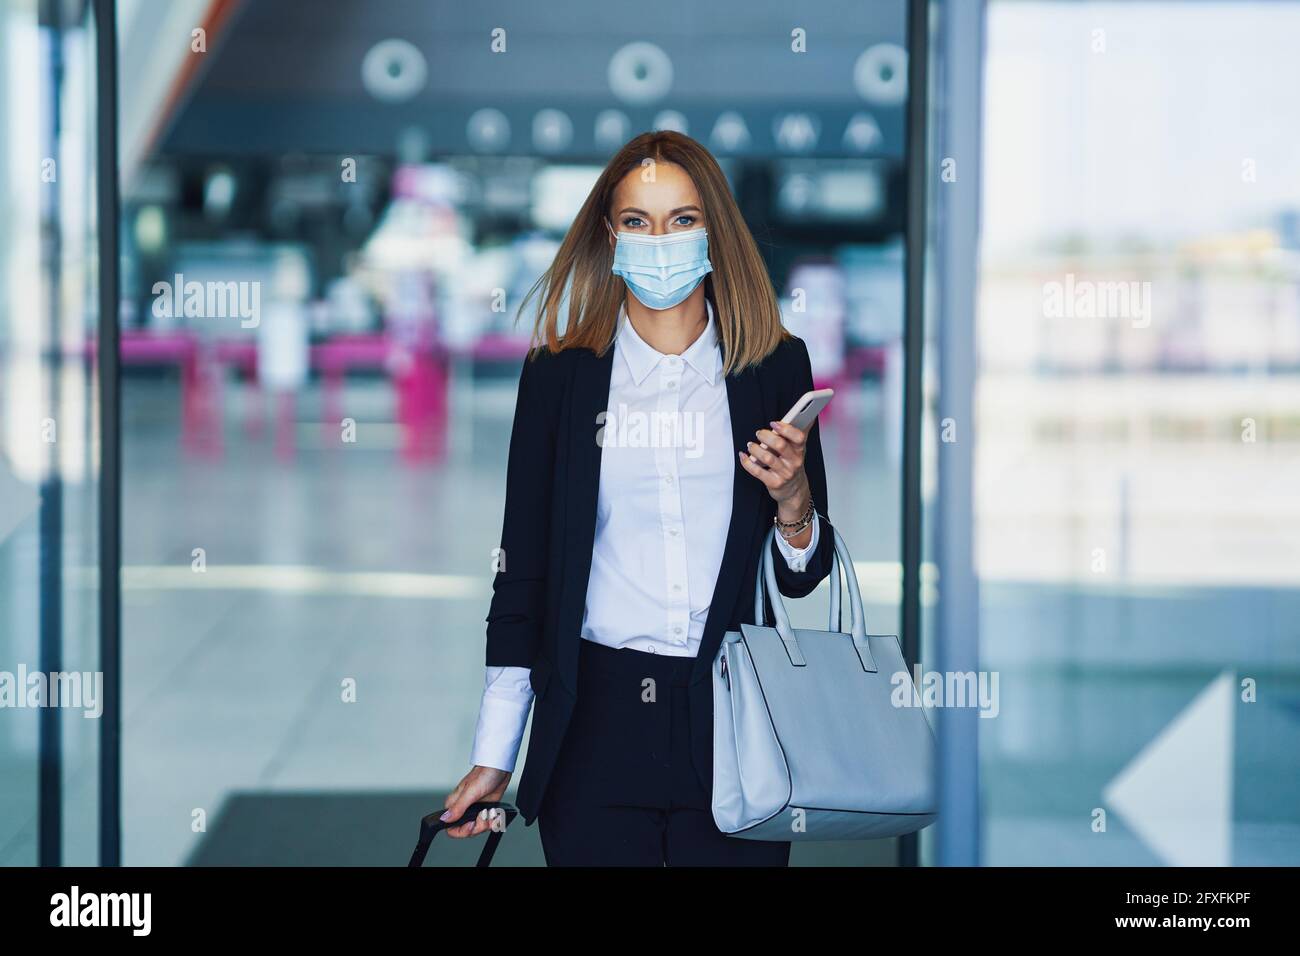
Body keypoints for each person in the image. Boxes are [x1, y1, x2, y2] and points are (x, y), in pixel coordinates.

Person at [443, 130, 835, 866]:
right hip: (596, 720)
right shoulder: (559, 377)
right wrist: (496, 751)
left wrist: (794, 501)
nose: (662, 240)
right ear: (610, 234)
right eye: (638, 221)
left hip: (734, 715)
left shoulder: (774, 366)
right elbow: (522, 571)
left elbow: (803, 572)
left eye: (683, 219)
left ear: (714, 229)